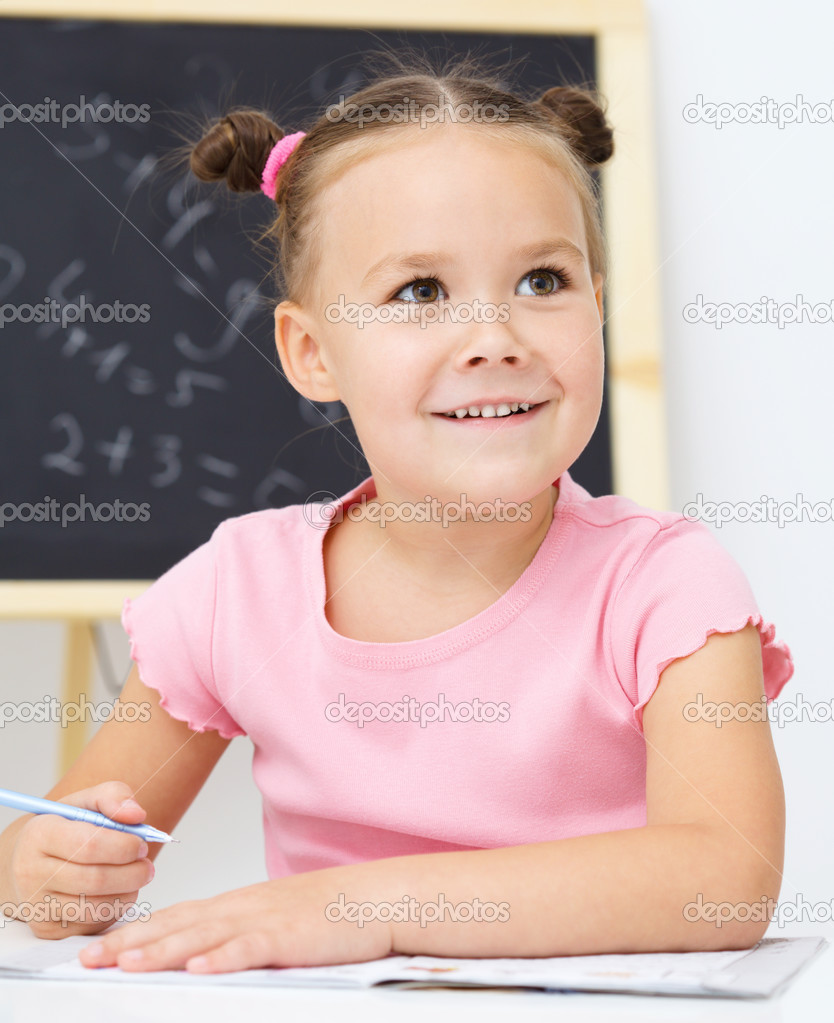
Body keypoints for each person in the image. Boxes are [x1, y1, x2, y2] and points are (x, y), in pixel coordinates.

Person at [0, 53, 792, 975]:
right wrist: (50, 872)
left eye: (543, 281)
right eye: (420, 293)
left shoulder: (663, 583)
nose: (495, 338)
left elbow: (727, 877)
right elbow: (47, 857)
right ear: (311, 352)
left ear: (599, 311)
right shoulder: (238, 590)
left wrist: (364, 905)